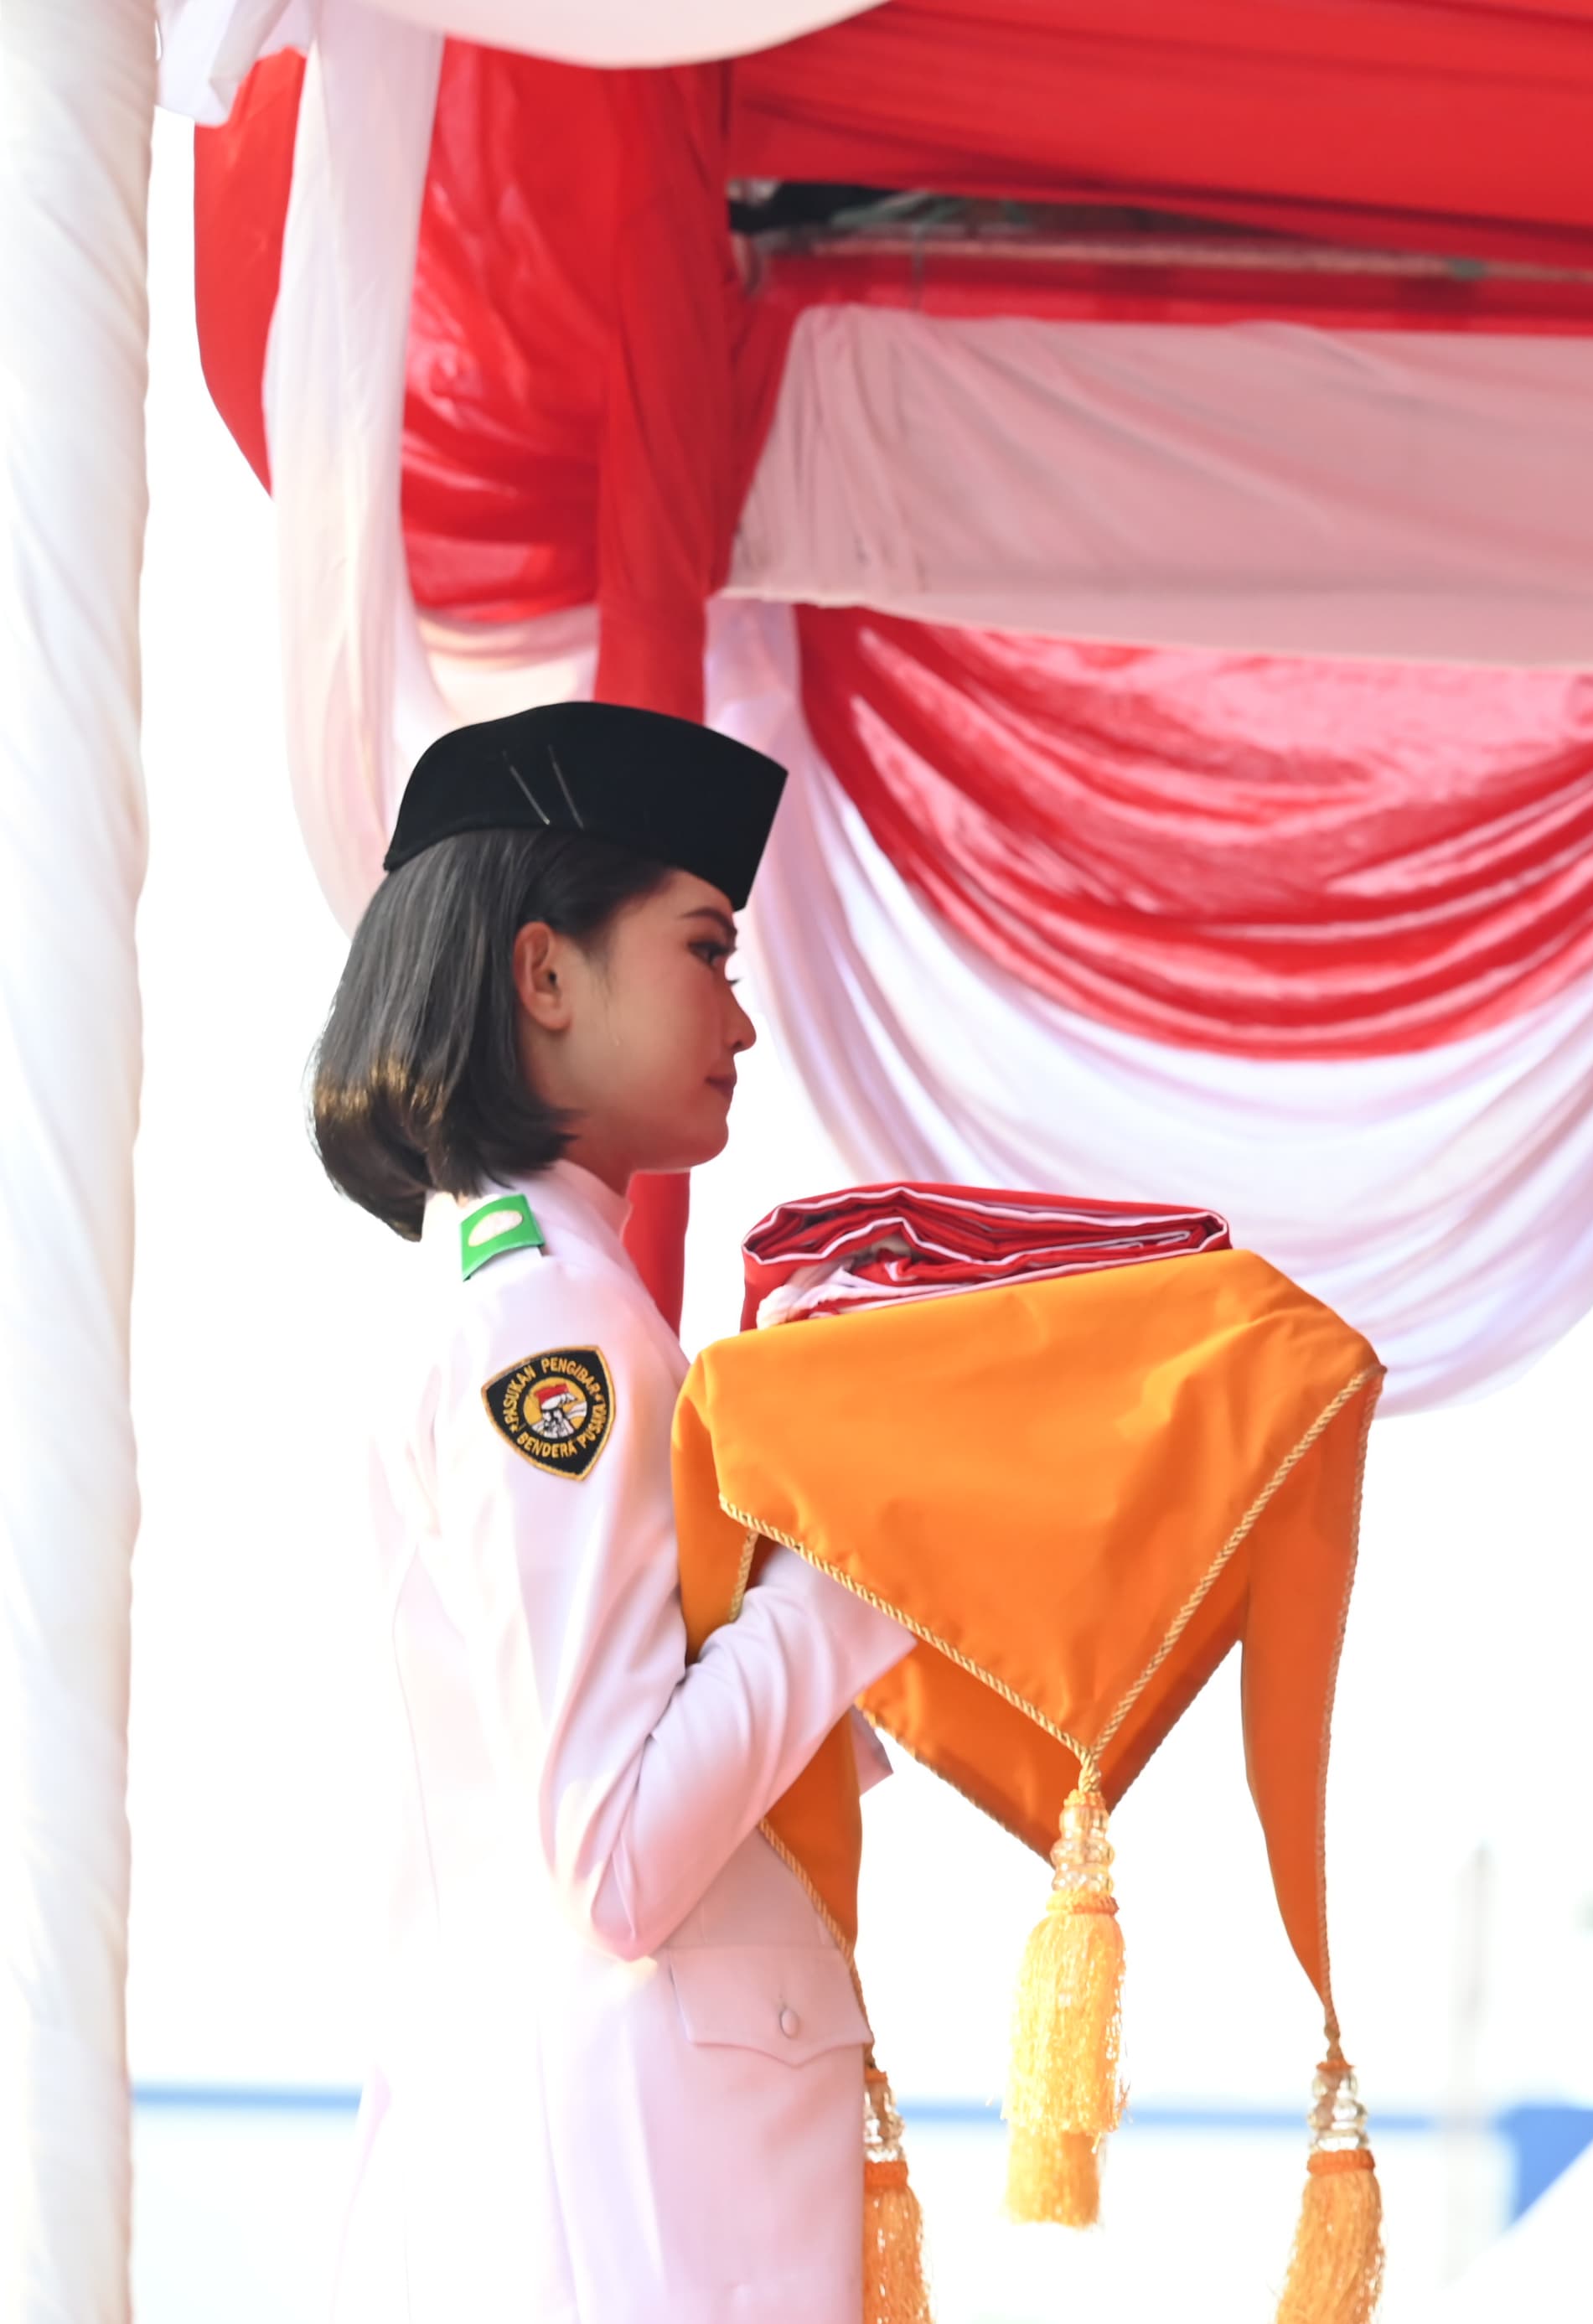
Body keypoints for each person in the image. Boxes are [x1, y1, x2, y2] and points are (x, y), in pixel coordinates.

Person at [313, 702, 923, 2322]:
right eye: (707, 947)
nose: (743, 1013)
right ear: (547, 976)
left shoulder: (540, 1290)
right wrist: (855, 1557)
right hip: (618, 2214)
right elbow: (620, 1856)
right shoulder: (551, 1326)